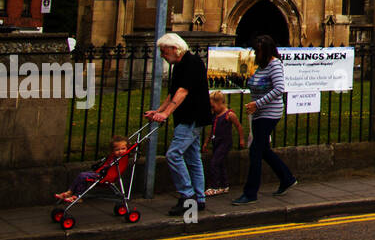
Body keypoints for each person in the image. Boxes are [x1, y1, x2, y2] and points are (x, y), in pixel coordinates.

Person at [143, 32, 212, 215]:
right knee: (193, 157)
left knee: (173, 155)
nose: (163, 57)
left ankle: (187, 196)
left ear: (175, 49)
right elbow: (173, 93)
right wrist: (158, 111)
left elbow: (183, 91)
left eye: (164, 52)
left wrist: (166, 113)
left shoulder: (192, 63)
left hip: (192, 116)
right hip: (187, 116)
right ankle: (199, 198)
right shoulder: (180, 65)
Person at [233, 35, 297, 204]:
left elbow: (279, 88)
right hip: (259, 113)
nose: (255, 53)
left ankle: (250, 193)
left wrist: (257, 104)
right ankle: (287, 178)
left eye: (258, 50)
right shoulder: (262, 66)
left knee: (255, 151)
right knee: (263, 150)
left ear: (266, 51)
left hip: (269, 113)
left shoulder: (274, 64)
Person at [55, 136, 131, 202]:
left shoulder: (123, 157)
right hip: (102, 173)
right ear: (112, 151)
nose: (121, 151)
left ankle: (77, 196)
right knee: (81, 176)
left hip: (106, 176)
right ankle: (70, 192)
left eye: (123, 148)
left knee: (82, 175)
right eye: (117, 150)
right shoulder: (112, 156)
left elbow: (128, 150)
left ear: (127, 148)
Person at [202, 91, 245, 197]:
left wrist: (241, 139)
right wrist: (206, 142)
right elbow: (211, 130)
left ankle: (215, 186)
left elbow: (239, 126)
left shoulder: (229, 115)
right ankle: (224, 185)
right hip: (216, 142)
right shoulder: (215, 115)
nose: (212, 109)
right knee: (220, 164)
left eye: (213, 106)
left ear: (221, 102)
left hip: (225, 143)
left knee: (214, 163)